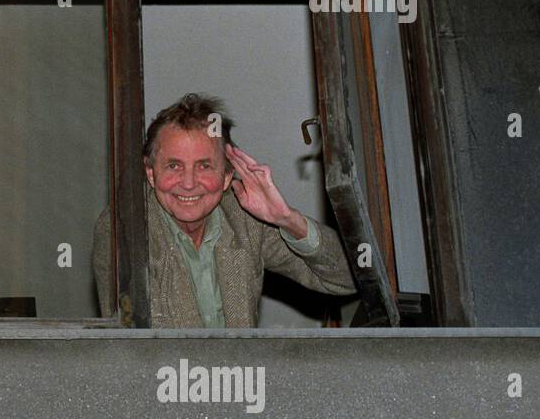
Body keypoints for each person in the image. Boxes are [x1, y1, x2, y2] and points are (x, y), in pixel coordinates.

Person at [92, 93, 356, 327]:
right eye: (174, 166)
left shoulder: (245, 217)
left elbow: (347, 279)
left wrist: (287, 219)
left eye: (204, 166)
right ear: (150, 173)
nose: (188, 183)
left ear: (228, 176)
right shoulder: (123, 226)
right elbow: (129, 345)